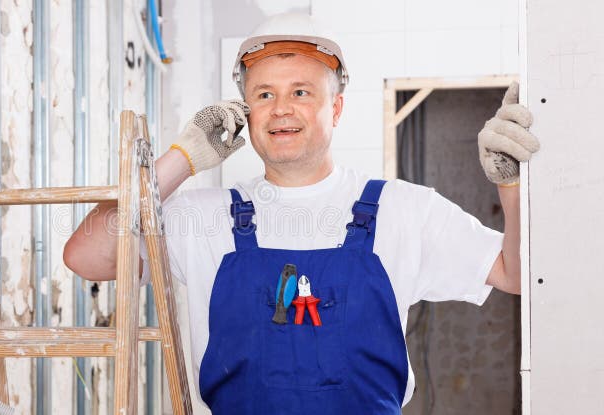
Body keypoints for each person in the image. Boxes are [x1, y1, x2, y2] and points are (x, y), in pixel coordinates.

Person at [64, 12, 539, 414]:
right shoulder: (201, 217)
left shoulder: (405, 209)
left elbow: (514, 273)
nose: (281, 109)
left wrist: (510, 184)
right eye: (264, 95)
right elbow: (88, 257)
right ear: (245, 114)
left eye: (301, 92)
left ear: (336, 108)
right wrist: (179, 160)